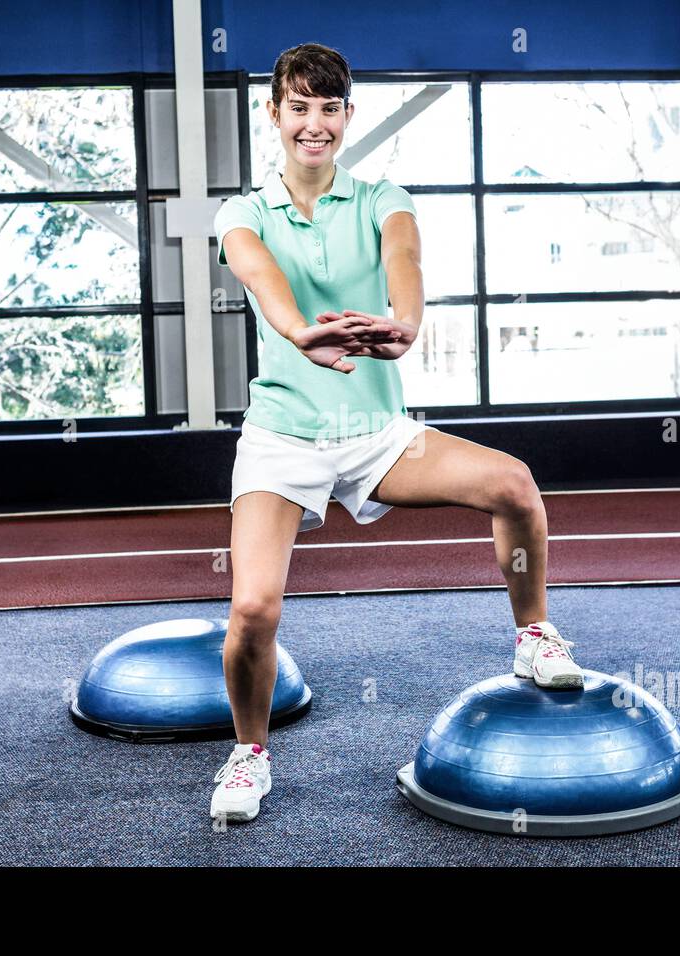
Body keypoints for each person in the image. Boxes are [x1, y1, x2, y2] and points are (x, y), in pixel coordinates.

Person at [209, 42, 582, 824]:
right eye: (300, 108)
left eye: (330, 108)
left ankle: (534, 633)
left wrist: (404, 327)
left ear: (348, 115)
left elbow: (405, 260)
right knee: (253, 611)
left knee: (513, 484)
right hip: (282, 437)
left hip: (376, 432)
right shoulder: (241, 211)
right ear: (273, 114)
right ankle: (250, 753)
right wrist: (300, 331)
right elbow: (260, 277)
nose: (316, 124)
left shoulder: (383, 195)